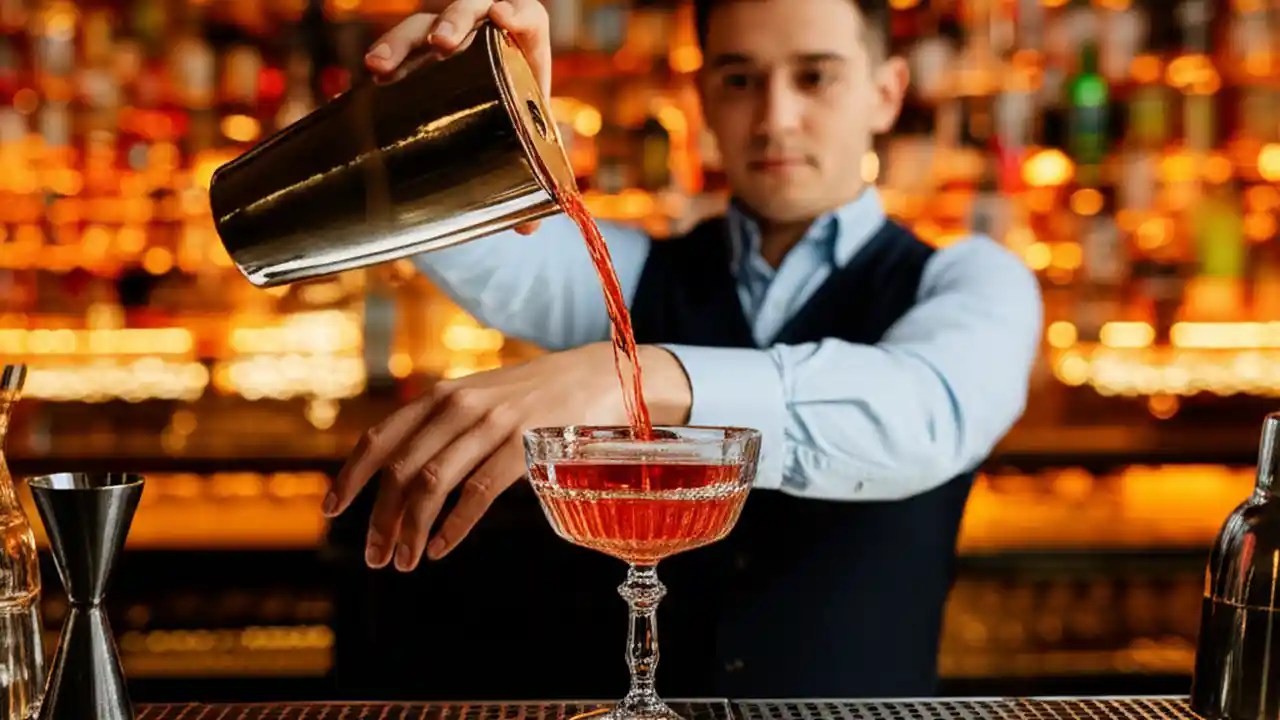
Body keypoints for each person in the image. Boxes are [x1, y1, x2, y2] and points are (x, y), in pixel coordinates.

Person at [324, 0, 1042, 701]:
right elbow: (464, 241)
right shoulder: (634, 272)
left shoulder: (970, 279)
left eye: (815, 76)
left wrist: (638, 376)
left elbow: (923, 412)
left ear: (886, 95)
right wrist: (425, 104)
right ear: (703, 99)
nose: (775, 118)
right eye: (739, 79)